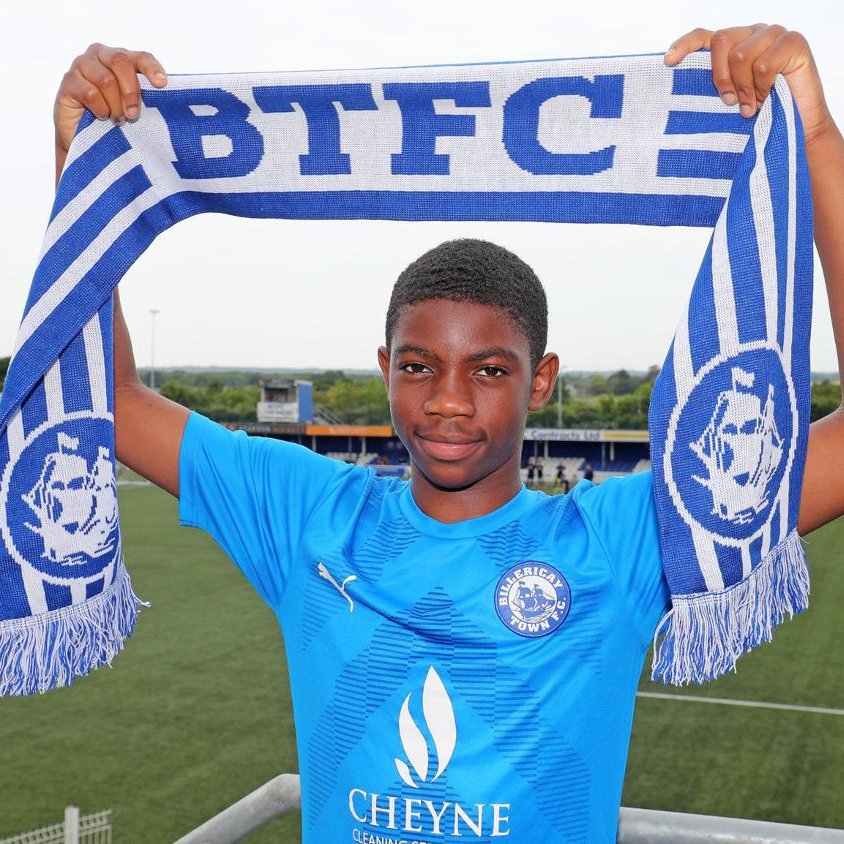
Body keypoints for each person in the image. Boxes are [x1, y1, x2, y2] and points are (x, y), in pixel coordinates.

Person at [51, 25, 844, 842]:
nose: (449, 402)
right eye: (419, 366)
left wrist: (815, 138)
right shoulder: (304, 511)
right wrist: (82, 166)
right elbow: (111, 400)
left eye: (490, 370)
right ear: (385, 367)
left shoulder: (621, 540)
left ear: (541, 380)